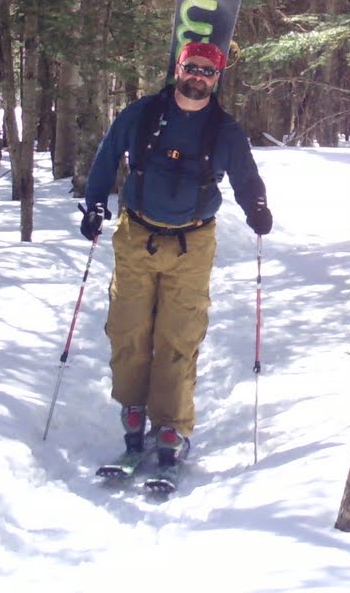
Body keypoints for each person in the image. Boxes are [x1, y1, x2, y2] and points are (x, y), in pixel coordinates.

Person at [79, 40, 272, 472]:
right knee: (127, 329)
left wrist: (257, 207)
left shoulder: (225, 130)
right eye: (192, 67)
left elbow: (246, 177)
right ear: (178, 68)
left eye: (208, 71)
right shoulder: (141, 114)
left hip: (193, 242)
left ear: (217, 78)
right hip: (136, 235)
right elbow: (107, 157)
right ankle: (132, 411)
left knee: (178, 336)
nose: (198, 77)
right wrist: (94, 205)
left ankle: (171, 426)